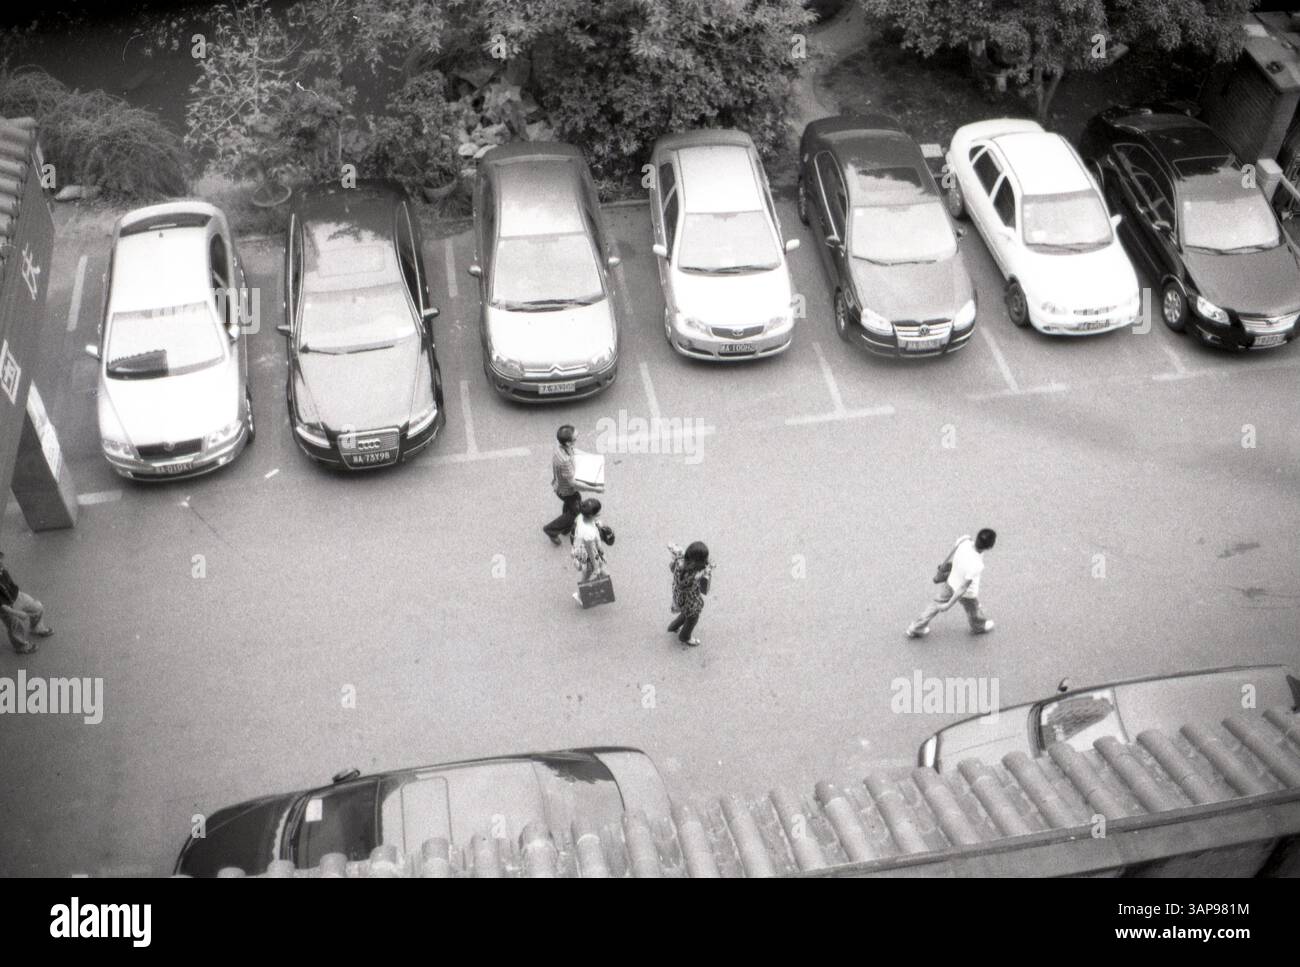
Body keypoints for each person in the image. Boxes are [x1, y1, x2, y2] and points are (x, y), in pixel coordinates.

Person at [906, 529, 996, 638]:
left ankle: (916, 627)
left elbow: (952, 555)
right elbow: (963, 588)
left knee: (935, 604)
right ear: (989, 547)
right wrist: (948, 605)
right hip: (967, 593)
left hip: (951, 581)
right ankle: (978, 626)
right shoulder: (977, 565)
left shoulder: (964, 541)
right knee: (973, 610)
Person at [0, 551, 53, 655]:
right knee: (15, 626)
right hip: (6, 607)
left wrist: (20, 595)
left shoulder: (2, 571)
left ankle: (36, 627)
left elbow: (11, 585)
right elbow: (3, 607)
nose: (2, 565)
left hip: (17, 596)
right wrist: (19, 613)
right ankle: (21, 646)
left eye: (1, 561)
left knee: (37, 607)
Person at [543, 424, 586, 545]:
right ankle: (551, 529)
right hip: (567, 491)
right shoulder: (565, 461)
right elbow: (573, 483)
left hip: (560, 487)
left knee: (570, 506)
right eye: (575, 438)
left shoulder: (559, 447)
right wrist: (596, 488)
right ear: (567, 443)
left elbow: (573, 452)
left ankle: (566, 528)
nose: (577, 439)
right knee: (575, 512)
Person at [667, 541, 713, 647]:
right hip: (690, 601)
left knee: (685, 613)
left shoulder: (679, 562)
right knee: (693, 618)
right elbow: (706, 573)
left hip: (679, 598)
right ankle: (685, 636)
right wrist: (708, 569)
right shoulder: (696, 575)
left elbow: (675, 556)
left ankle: (673, 627)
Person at [571, 498, 610, 604]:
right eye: (597, 513)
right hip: (588, 553)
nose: (599, 513)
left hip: (583, 546)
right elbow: (590, 551)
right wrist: (596, 566)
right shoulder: (588, 532)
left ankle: (603, 574)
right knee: (587, 573)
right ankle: (579, 595)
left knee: (598, 568)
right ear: (590, 515)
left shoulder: (580, 517)